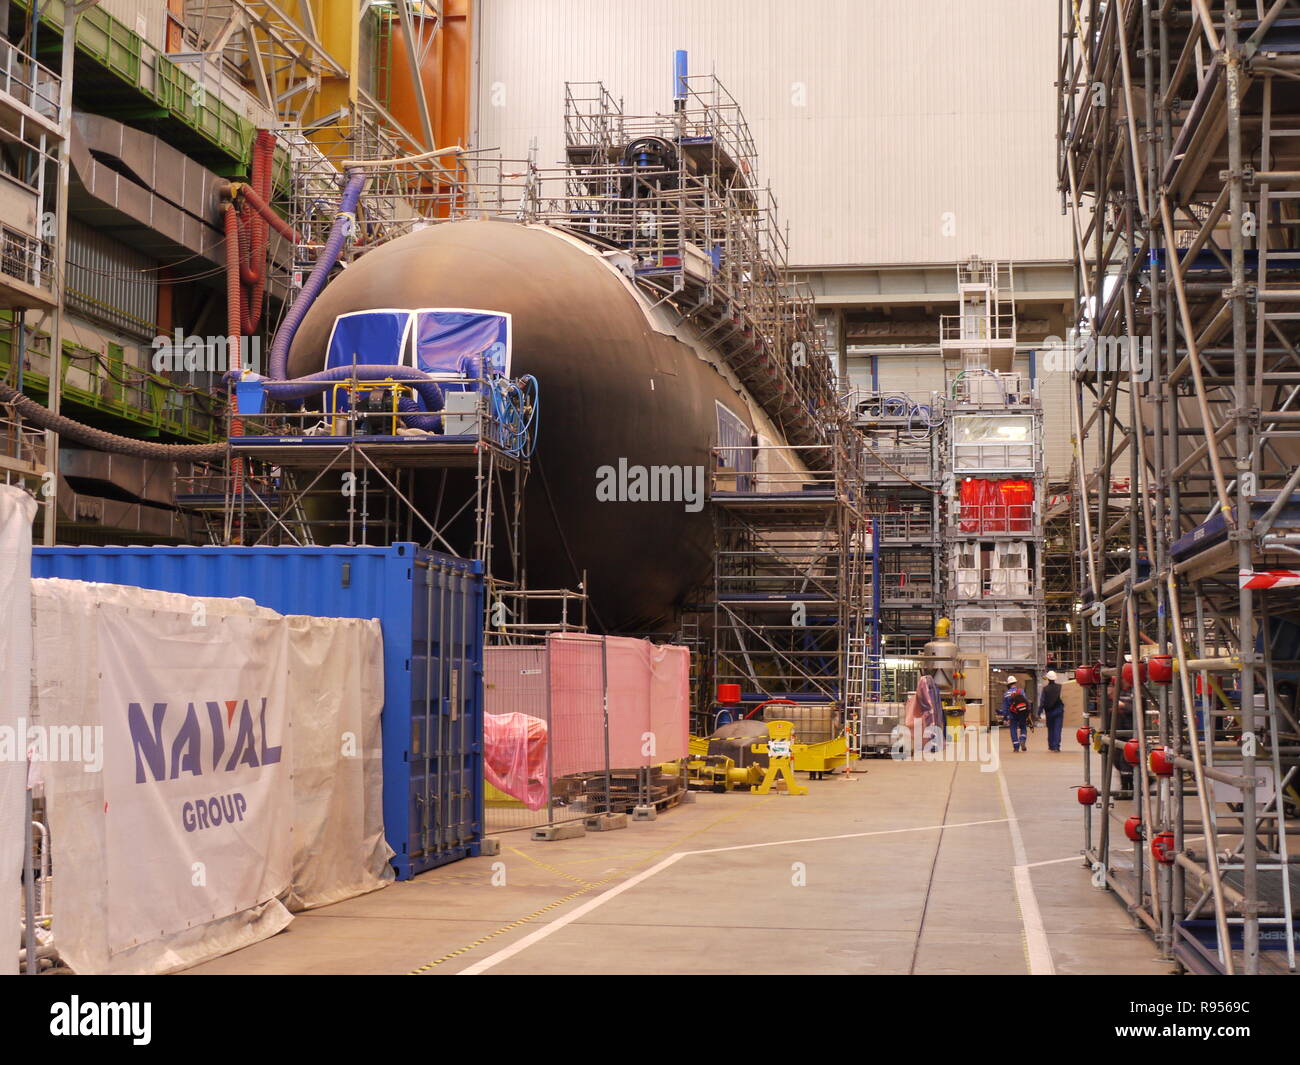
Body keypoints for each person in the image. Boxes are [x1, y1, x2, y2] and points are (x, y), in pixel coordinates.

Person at [1001, 677, 1033, 752]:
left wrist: (1005, 717)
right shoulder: (1021, 691)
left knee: (1013, 729)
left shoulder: (1006, 694)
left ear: (1008, 684)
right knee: (1023, 727)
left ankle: (1016, 747)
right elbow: (1026, 702)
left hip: (1012, 714)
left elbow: (1005, 708)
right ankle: (1022, 739)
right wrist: (1028, 712)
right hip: (1022, 713)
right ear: (1015, 683)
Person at [1040, 670, 1065, 751]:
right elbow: (1064, 698)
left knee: (1050, 729)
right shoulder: (1060, 687)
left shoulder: (1045, 689)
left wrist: (1039, 713)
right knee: (1057, 729)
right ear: (1055, 678)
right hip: (1059, 711)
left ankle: (1051, 746)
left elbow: (1042, 701)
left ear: (1048, 679)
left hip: (1049, 712)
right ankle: (1056, 746)